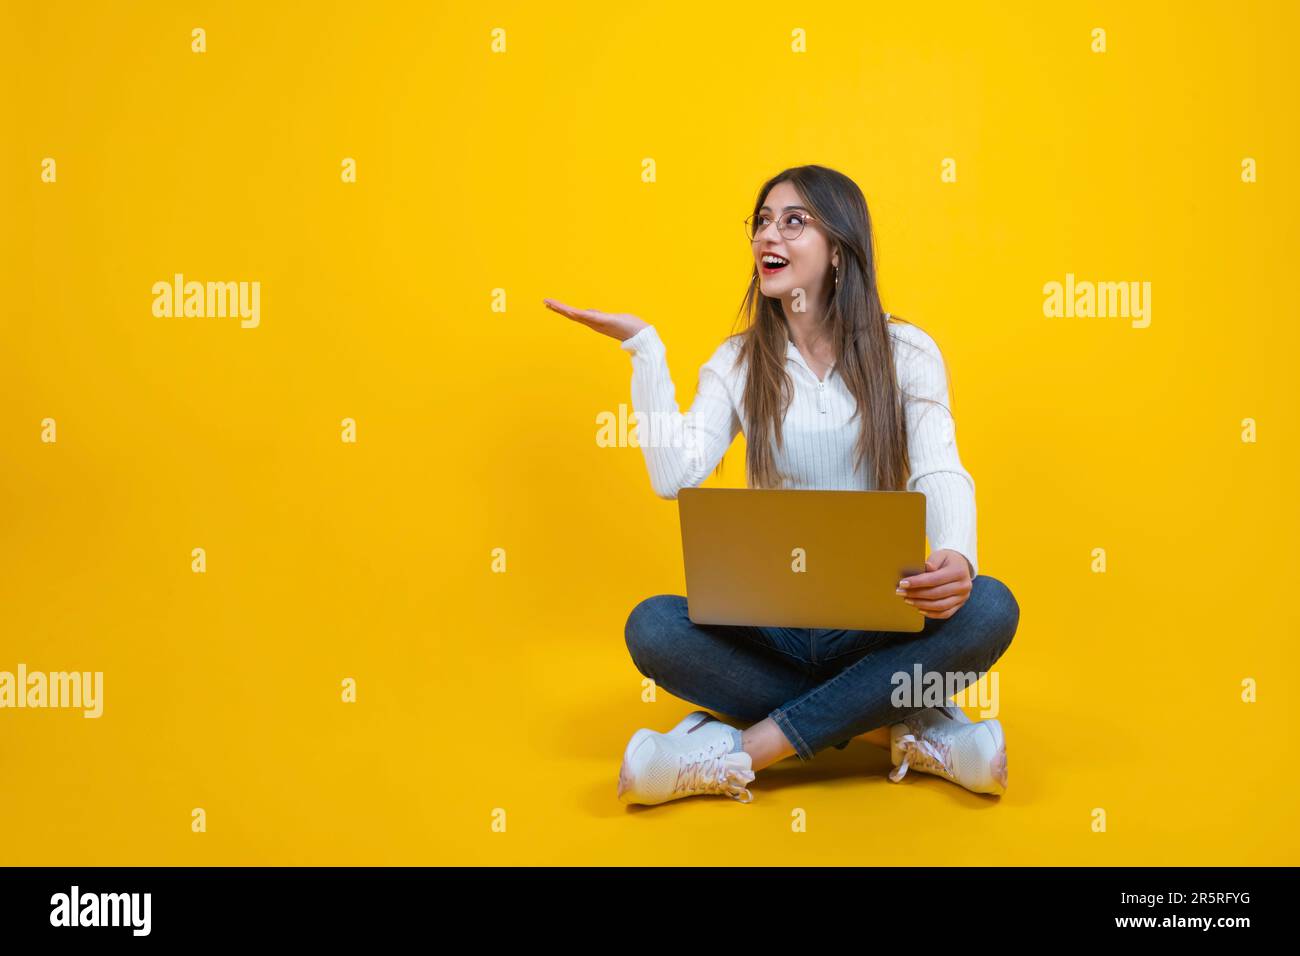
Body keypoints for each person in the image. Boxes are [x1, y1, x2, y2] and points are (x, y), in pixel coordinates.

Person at [543, 164, 1019, 807]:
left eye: (794, 221)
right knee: (652, 627)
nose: (770, 234)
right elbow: (674, 475)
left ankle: (741, 751)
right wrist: (645, 351)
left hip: (880, 628)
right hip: (774, 628)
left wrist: (957, 555)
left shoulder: (906, 351)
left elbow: (940, 468)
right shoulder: (738, 362)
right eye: (762, 221)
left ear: (840, 248)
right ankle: (897, 731)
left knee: (990, 606)